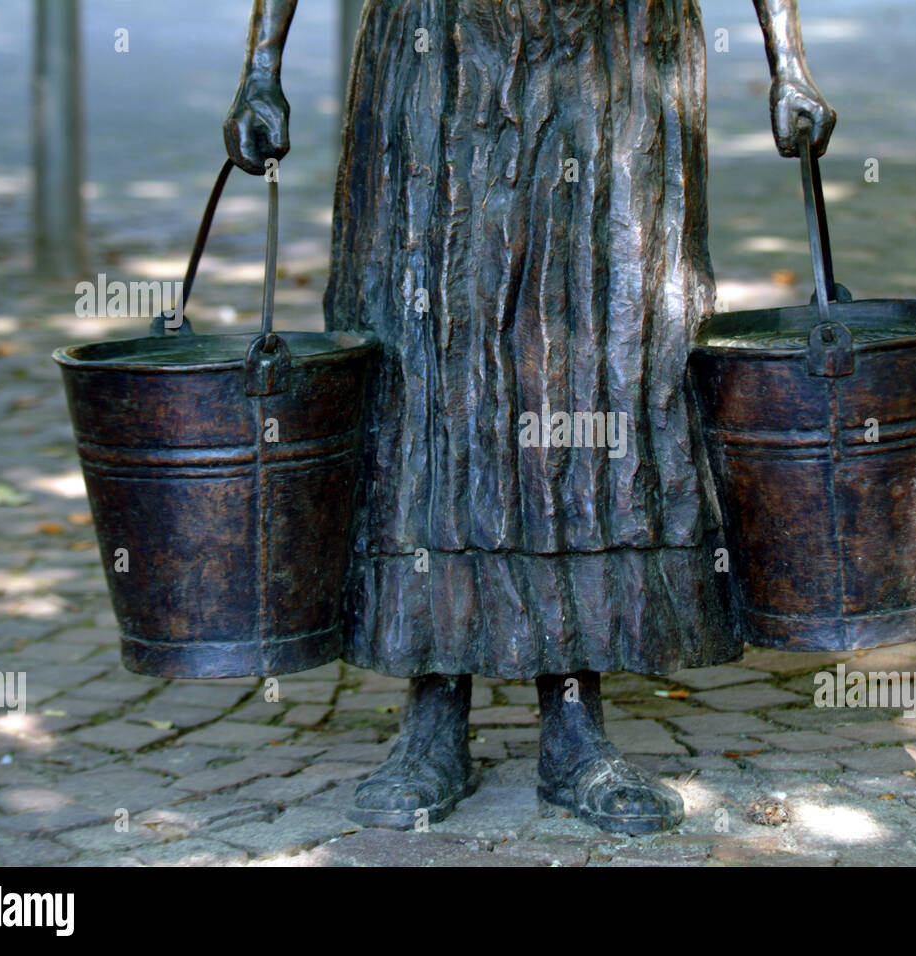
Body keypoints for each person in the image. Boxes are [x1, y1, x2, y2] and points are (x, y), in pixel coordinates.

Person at [224, 0, 834, 834]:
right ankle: (432, 704)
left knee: (597, 364)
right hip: (436, 53)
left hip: (613, 59)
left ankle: (576, 725)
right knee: (431, 368)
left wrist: (787, 60)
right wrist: (262, 66)